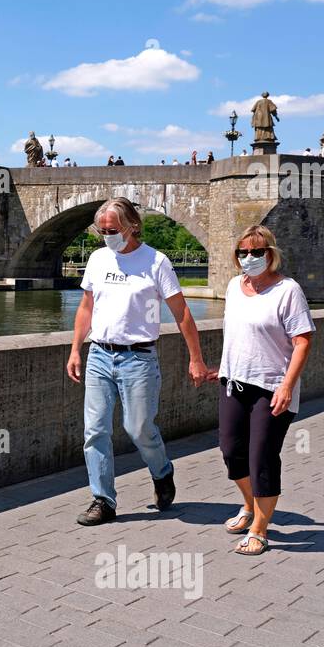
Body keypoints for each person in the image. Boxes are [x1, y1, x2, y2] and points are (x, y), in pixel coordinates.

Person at [67, 198, 212, 525]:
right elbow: (86, 307)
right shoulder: (97, 259)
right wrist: (76, 348)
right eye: (102, 230)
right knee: (95, 430)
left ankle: (162, 472)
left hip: (139, 359)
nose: (107, 236)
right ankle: (103, 500)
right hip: (100, 355)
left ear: (132, 225)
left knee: (139, 428)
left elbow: (182, 312)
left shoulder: (156, 262)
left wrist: (196, 359)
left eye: (113, 230)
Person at [211, 225, 315, 555]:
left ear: (271, 254)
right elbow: (237, 334)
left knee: (262, 458)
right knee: (231, 451)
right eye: (243, 252)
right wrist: (224, 367)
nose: (249, 258)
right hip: (234, 381)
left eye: (257, 252)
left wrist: (287, 385)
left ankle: (260, 527)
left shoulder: (288, 290)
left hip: (271, 387)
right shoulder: (233, 286)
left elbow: (302, 341)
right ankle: (250, 505)